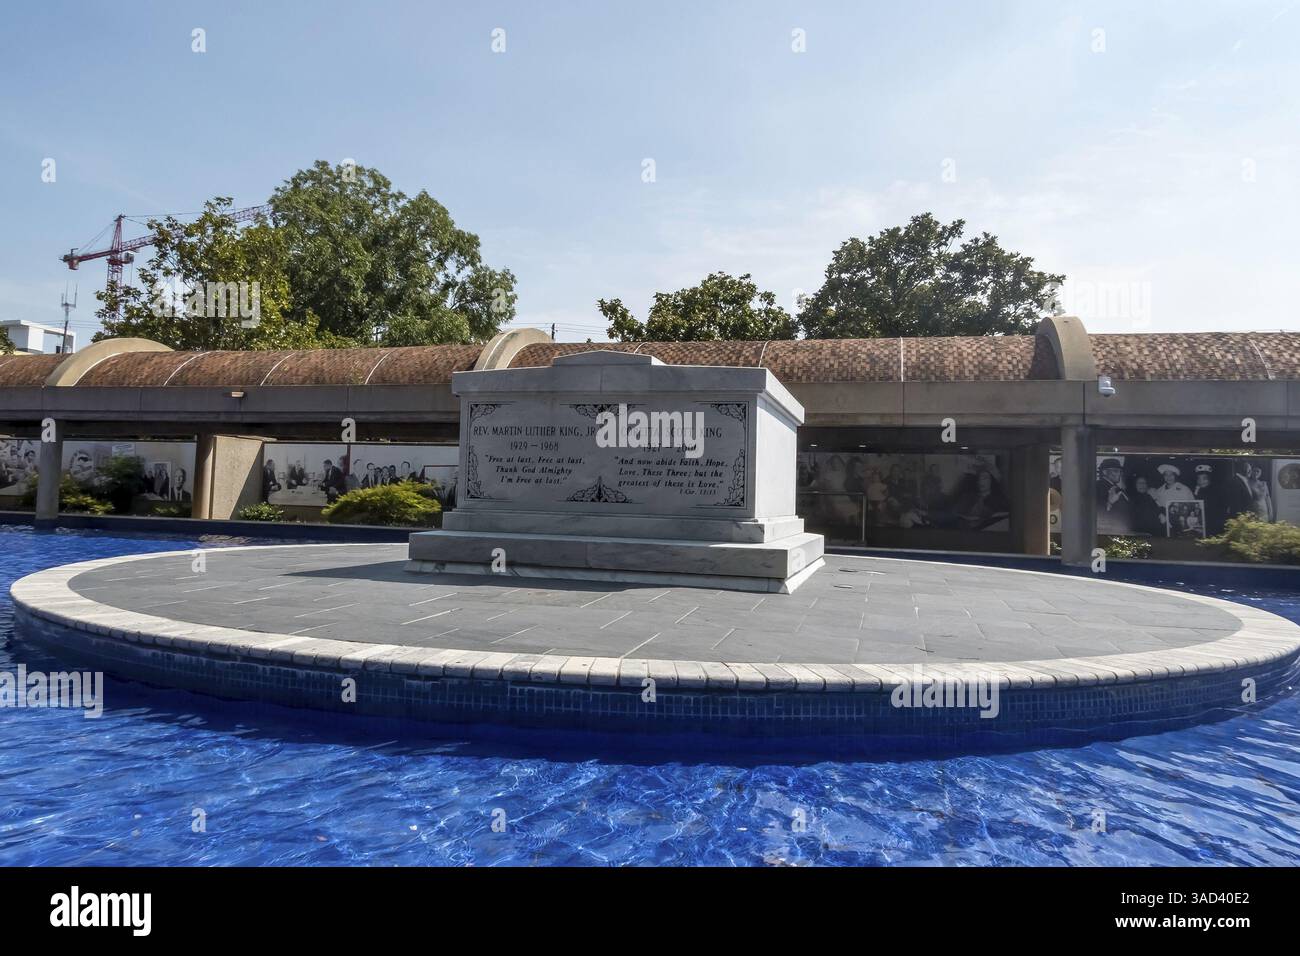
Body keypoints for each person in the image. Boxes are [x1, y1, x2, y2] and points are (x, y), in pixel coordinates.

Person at [1095, 457, 1132, 533]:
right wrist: (1109, 502)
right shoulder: (1098, 486)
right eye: (1115, 471)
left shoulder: (1116, 487)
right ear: (1105, 472)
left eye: (1120, 471)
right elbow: (1096, 511)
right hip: (1109, 531)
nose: (1119, 474)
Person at [1192, 463, 1227, 534]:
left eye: (1204, 479)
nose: (1201, 481)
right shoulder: (1196, 491)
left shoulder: (1216, 491)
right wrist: (1196, 493)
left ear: (1209, 479)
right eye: (1199, 479)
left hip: (1214, 525)